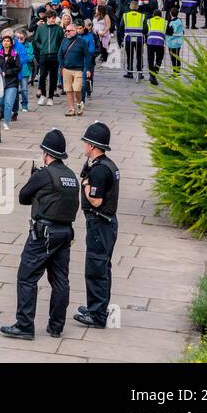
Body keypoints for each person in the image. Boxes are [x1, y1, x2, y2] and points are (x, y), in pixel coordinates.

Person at [0, 129, 81, 340]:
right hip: (65, 233)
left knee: (26, 277)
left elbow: (23, 197)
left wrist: (35, 180)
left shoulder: (43, 174)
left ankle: (25, 325)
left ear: (46, 153)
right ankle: (56, 326)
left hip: (44, 233)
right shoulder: (71, 176)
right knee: (60, 280)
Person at [76, 123, 120, 329]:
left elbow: (96, 201)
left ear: (93, 145)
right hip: (105, 224)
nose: (84, 145)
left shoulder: (100, 170)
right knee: (102, 267)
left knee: (96, 268)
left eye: (86, 142)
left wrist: (86, 185)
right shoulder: (106, 164)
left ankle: (97, 315)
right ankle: (97, 307)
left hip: (100, 223)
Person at [57, 23, 88, 117]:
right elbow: (60, 54)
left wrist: (88, 69)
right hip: (66, 69)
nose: (67, 32)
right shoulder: (64, 41)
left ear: (75, 31)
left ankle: (79, 104)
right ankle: (72, 109)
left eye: (69, 31)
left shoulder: (82, 42)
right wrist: (62, 67)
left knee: (77, 89)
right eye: (66, 30)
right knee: (68, 90)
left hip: (78, 69)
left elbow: (87, 56)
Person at [33, 9, 61, 106]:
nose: (53, 20)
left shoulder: (58, 29)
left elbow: (61, 41)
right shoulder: (41, 28)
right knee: (42, 76)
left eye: (54, 18)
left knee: (53, 77)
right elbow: (36, 40)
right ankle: (43, 95)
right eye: (51, 18)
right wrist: (42, 48)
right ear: (47, 18)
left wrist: (57, 50)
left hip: (54, 56)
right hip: (43, 55)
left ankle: (51, 97)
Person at [0, 33, 21, 133]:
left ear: (11, 43)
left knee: (8, 103)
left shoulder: (15, 54)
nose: (6, 42)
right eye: (4, 41)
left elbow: (18, 68)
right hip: (0, 82)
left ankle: (6, 122)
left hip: (12, 82)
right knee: (1, 102)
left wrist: (7, 72)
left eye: (8, 41)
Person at [122, 0, 147, 81]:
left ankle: (130, 72)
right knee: (139, 56)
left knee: (129, 56)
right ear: (138, 7)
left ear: (130, 7)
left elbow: (121, 27)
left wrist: (121, 37)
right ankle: (139, 73)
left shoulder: (125, 15)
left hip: (128, 38)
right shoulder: (142, 16)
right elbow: (145, 29)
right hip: (139, 39)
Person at [145, 4, 168, 86]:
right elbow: (169, 31)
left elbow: (145, 30)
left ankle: (151, 75)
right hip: (160, 43)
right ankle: (154, 73)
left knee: (150, 59)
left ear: (153, 15)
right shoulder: (165, 22)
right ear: (161, 15)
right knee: (159, 59)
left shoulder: (149, 21)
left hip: (150, 42)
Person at [166, 7, 185, 77]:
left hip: (172, 43)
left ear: (171, 14)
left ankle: (175, 72)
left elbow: (170, 32)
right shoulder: (179, 21)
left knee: (173, 58)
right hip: (179, 42)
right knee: (177, 56)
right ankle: (178, 71)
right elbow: (182, 31)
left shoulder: (172, 22)